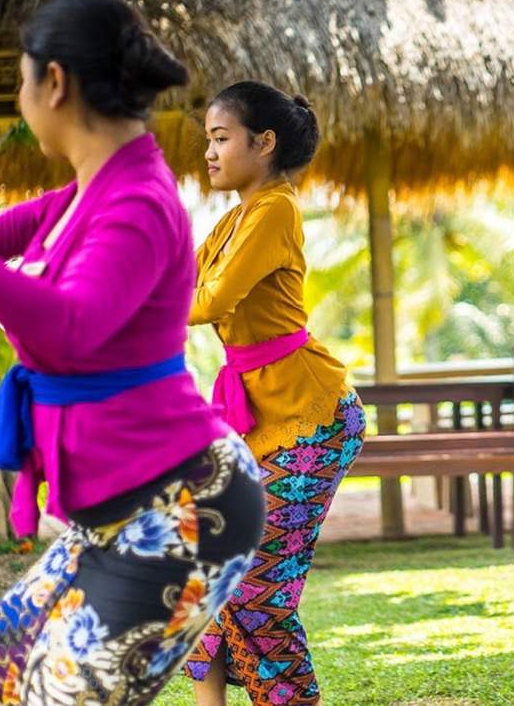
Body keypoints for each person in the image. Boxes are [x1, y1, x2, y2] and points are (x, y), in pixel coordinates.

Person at [0, 0, 265, 704]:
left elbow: (69, 323)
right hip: (113, 514)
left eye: (22, 80)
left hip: (184, 510)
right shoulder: (87, 192)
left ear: (55, 82)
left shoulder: (138, 202)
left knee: (56, 695)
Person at [181, 82, 363, 706]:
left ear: (265, 143)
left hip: (312, 419)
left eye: (221, 138)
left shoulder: (276, 209)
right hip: (258, 417)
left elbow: (211, 299)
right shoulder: (233, 218)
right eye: (208, 139)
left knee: (257, 585)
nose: (208, 152)